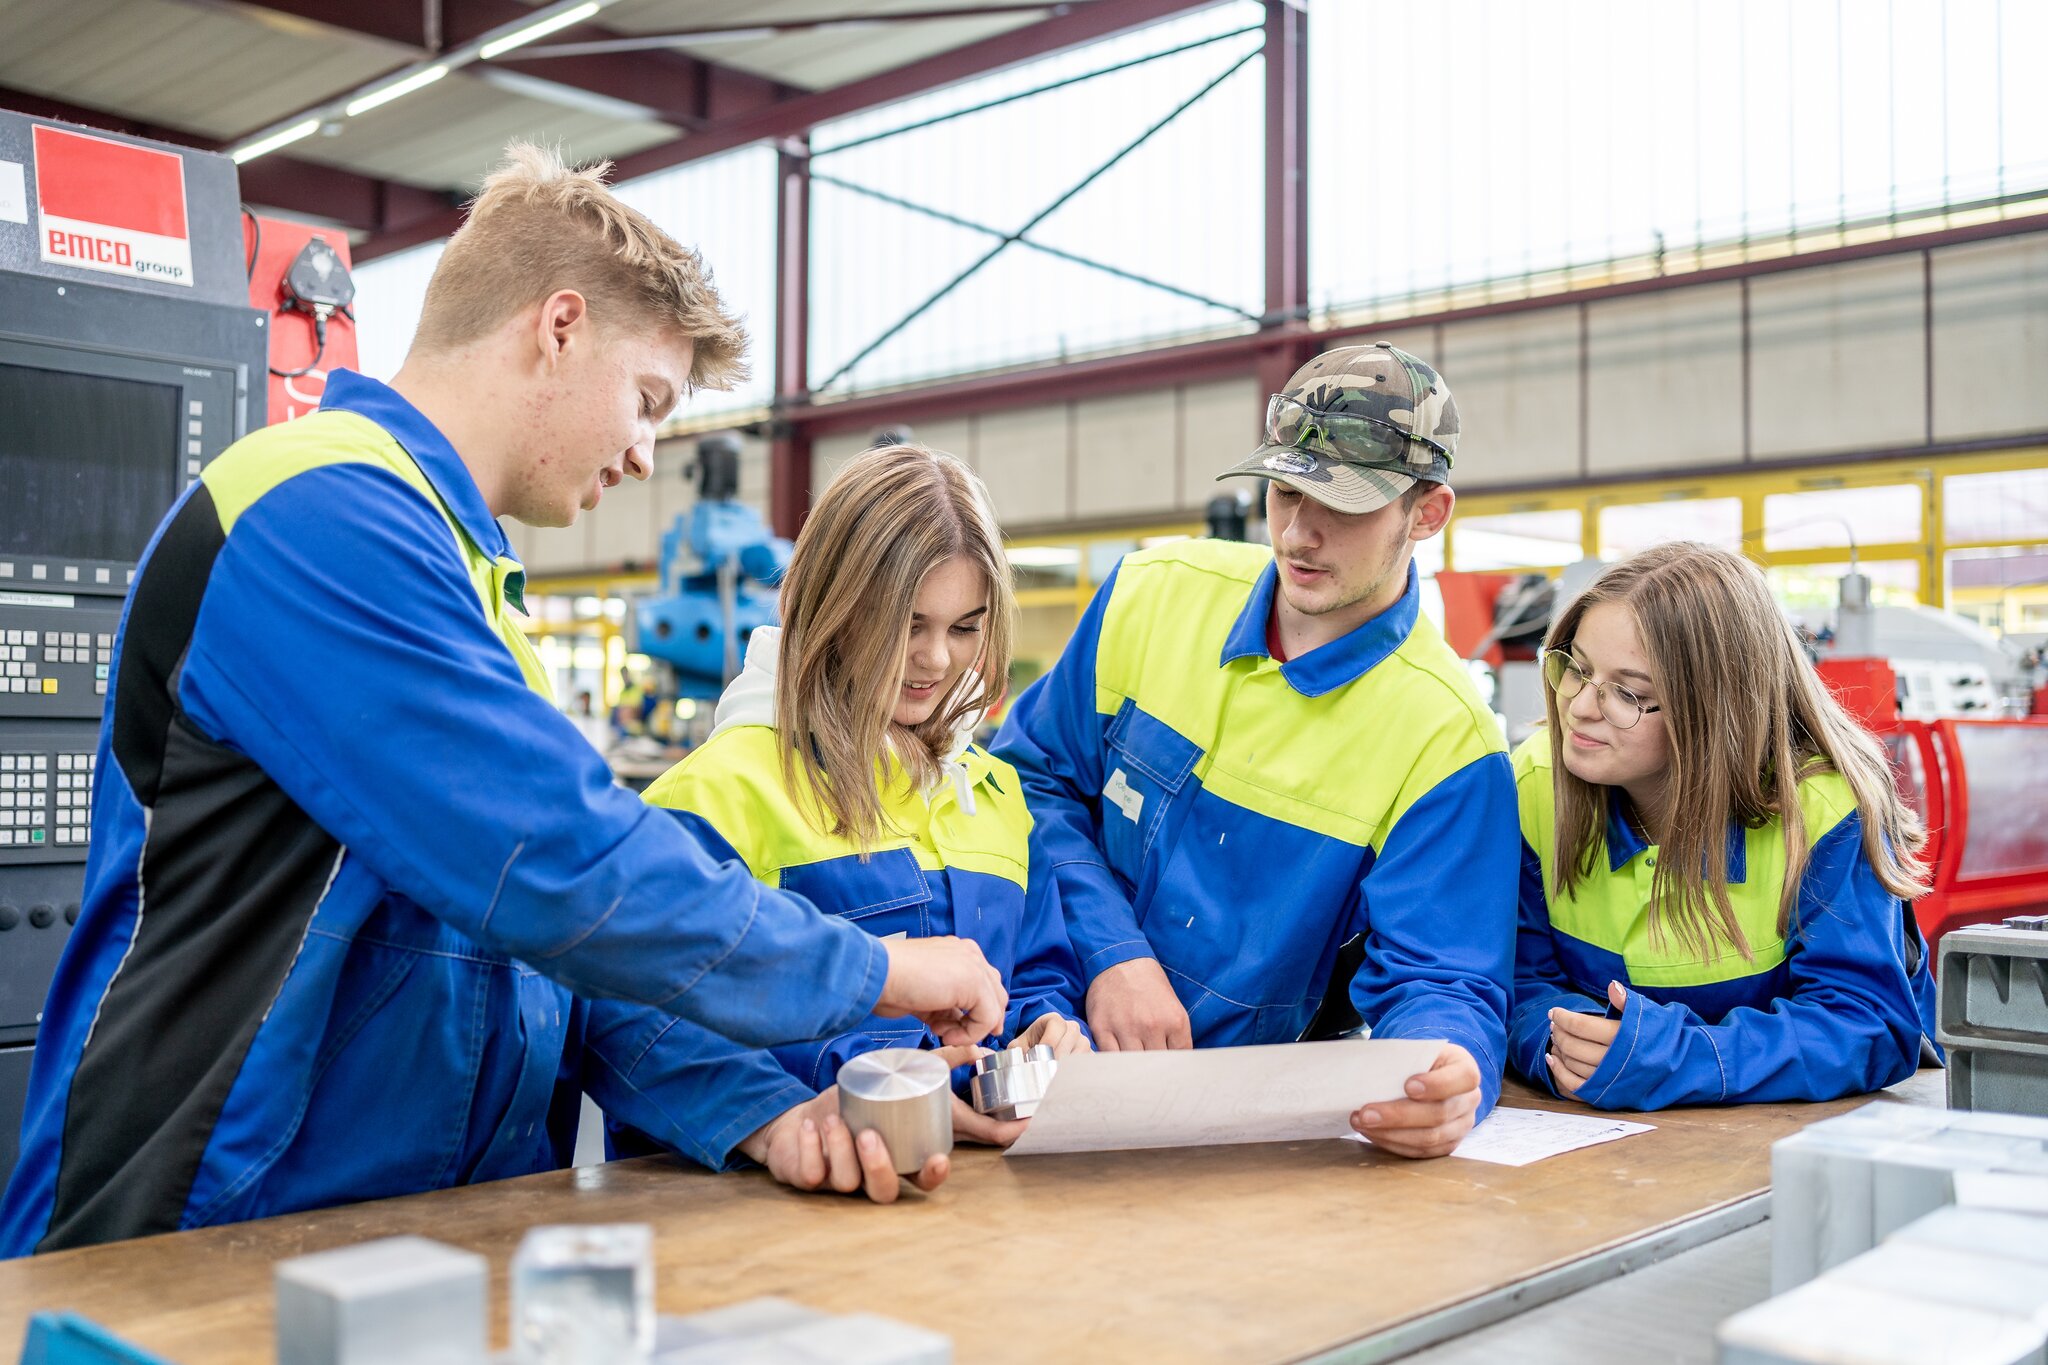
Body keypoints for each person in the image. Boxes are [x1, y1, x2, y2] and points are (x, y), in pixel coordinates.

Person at [0, 144, 1005, 1256]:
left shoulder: (472, 589)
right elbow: (557, 863)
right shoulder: (314, 512)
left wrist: (759, 1111)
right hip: (198, 1238)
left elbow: (561, 958)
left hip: (411, 1237)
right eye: (647, 400)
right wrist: (872, 971)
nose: (645, 453)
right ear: (560, 326)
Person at [994, 343, 1517, 1159]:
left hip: (1243, 1136)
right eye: (1285, 490)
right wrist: (1112, 956)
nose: (1300, 532)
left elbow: (1443, 979)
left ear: (1428, 513)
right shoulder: (1150, 594)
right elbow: (1026, 781)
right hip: (1043, 1044)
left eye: (1342, 504)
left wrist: (1447, 1073)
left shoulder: (1448, 739)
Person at [632, 444, 1091, 1179]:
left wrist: (1048, 1029)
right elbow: (644, 1030)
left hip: (974, 1205)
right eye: (907, 623)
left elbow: (1037, 971)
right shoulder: (715, 793)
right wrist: (884, 1081)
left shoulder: (994, 793)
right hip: (769, 1204)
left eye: (964, 627)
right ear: (830, 606)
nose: (936, 659)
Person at [1509, 543, 1938, 1109]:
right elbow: (1517, 980)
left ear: (1716, 710)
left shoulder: (1824, 810)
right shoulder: (1535, 779)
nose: (1582, 707)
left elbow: (1867, 1024)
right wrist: (1560, 1043)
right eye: (1579, 670)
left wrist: (1678, 1058)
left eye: (1629, 693)